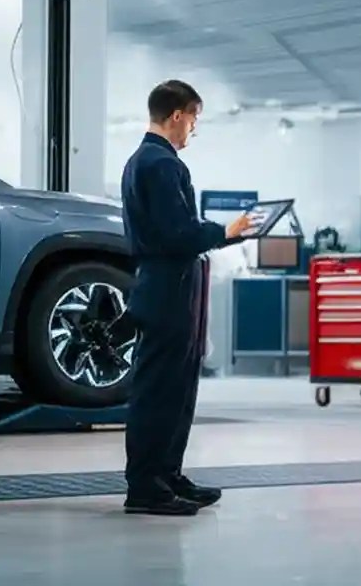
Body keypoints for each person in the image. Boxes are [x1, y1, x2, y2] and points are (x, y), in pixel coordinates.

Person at [120, 79, 252, 516]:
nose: (193, 130)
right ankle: (146, 486)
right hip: (167, 287)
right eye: (194, 119)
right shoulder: (162, 165)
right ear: (178, 115)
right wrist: (225, 232)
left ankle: (167, 474)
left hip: (168, 286)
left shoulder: (143, 161)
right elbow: (177, 234)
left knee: (177, 388)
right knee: (159, 389)